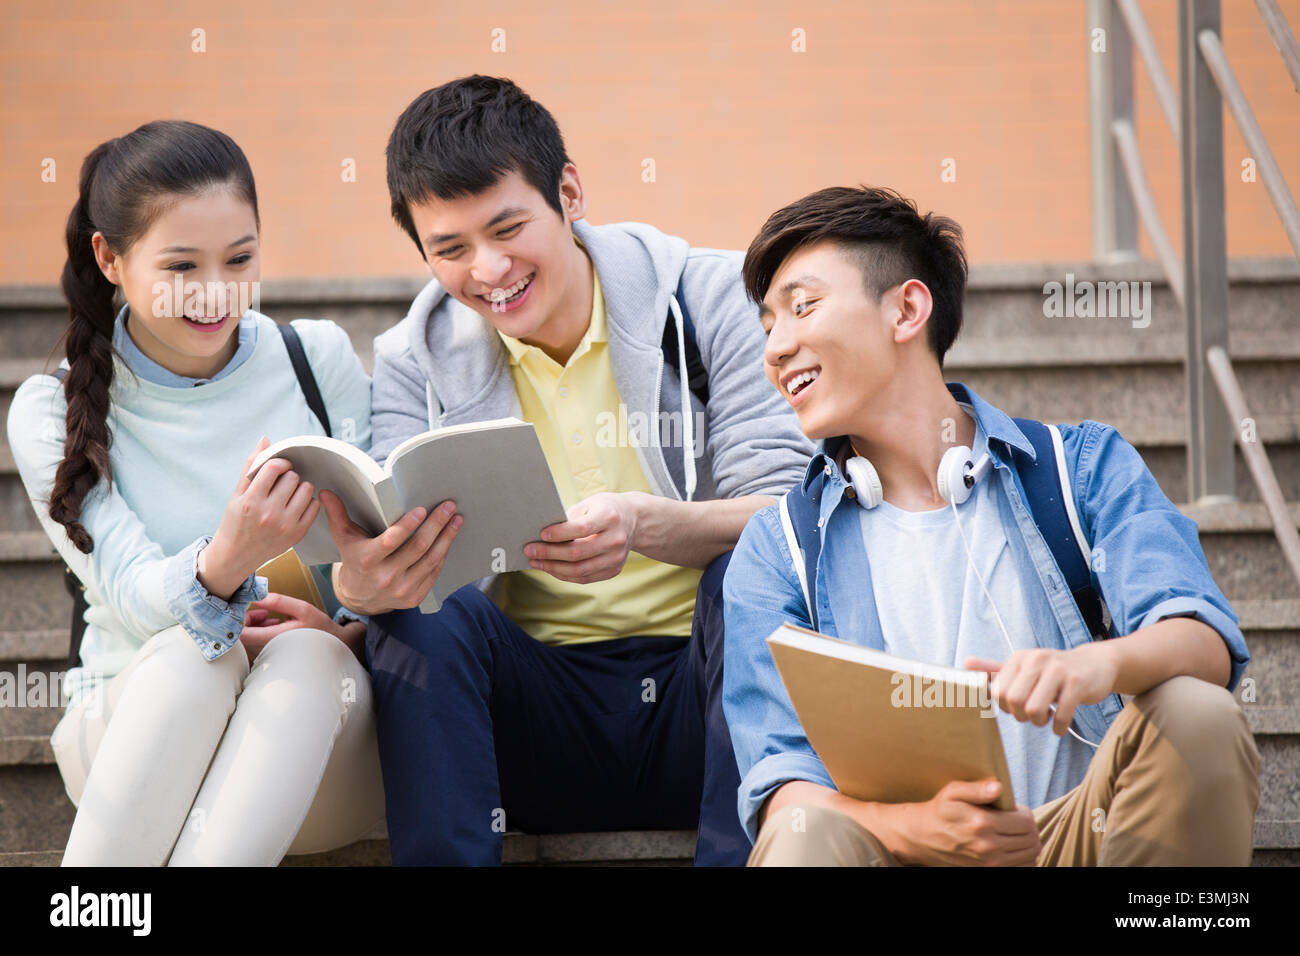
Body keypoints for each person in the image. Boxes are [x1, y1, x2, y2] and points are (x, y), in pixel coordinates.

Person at [320, 75, 814, 865]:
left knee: (749, 569)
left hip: (712, 702)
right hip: (530, 721)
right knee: (418, 613)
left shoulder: (717, 295)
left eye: (507, 228)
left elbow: (794, 516)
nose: (488, 270)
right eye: (449, 249)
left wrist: (648, 524)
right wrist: (359, 586)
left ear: (570, 192)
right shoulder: (413, 359)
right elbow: (397, 564)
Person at [722, 184, 1261, 866]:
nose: (777, 346)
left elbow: (1204, 643)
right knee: (807, 837)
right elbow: (779, 788)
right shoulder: (779, 548)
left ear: (907, 309)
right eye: (768, 324)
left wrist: (1097, 665)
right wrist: (909, 829)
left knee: (1196, 713)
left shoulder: (1080, 470)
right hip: (901, 852)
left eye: (802, 307)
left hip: (1075, 835)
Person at [7, 120, 384, 866]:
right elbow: (132, 592)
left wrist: (350, 618)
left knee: (308, 656)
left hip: (318, 740)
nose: (216, 292)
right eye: (181, 265)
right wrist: (229, 557)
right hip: (139, 734)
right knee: (193, 656)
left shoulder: (317, 360)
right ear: (109, 258)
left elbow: (384, 540)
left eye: (239, 258)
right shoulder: (50, 412)